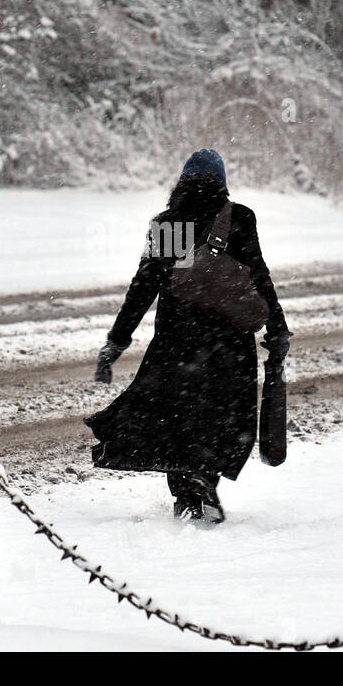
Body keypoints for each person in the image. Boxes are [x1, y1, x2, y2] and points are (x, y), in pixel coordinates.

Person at [85, 149, 292, 523]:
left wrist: (118, 339)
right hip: (228, 342)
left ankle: (185, 495)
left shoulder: (168, 224)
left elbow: (143, 287)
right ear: (222, 182)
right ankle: (204, 477)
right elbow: (259, 277)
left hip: (176, 341)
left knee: (173, 416)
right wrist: (277, 328)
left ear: (181, 182)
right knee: (222, 415)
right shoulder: (238, 218)